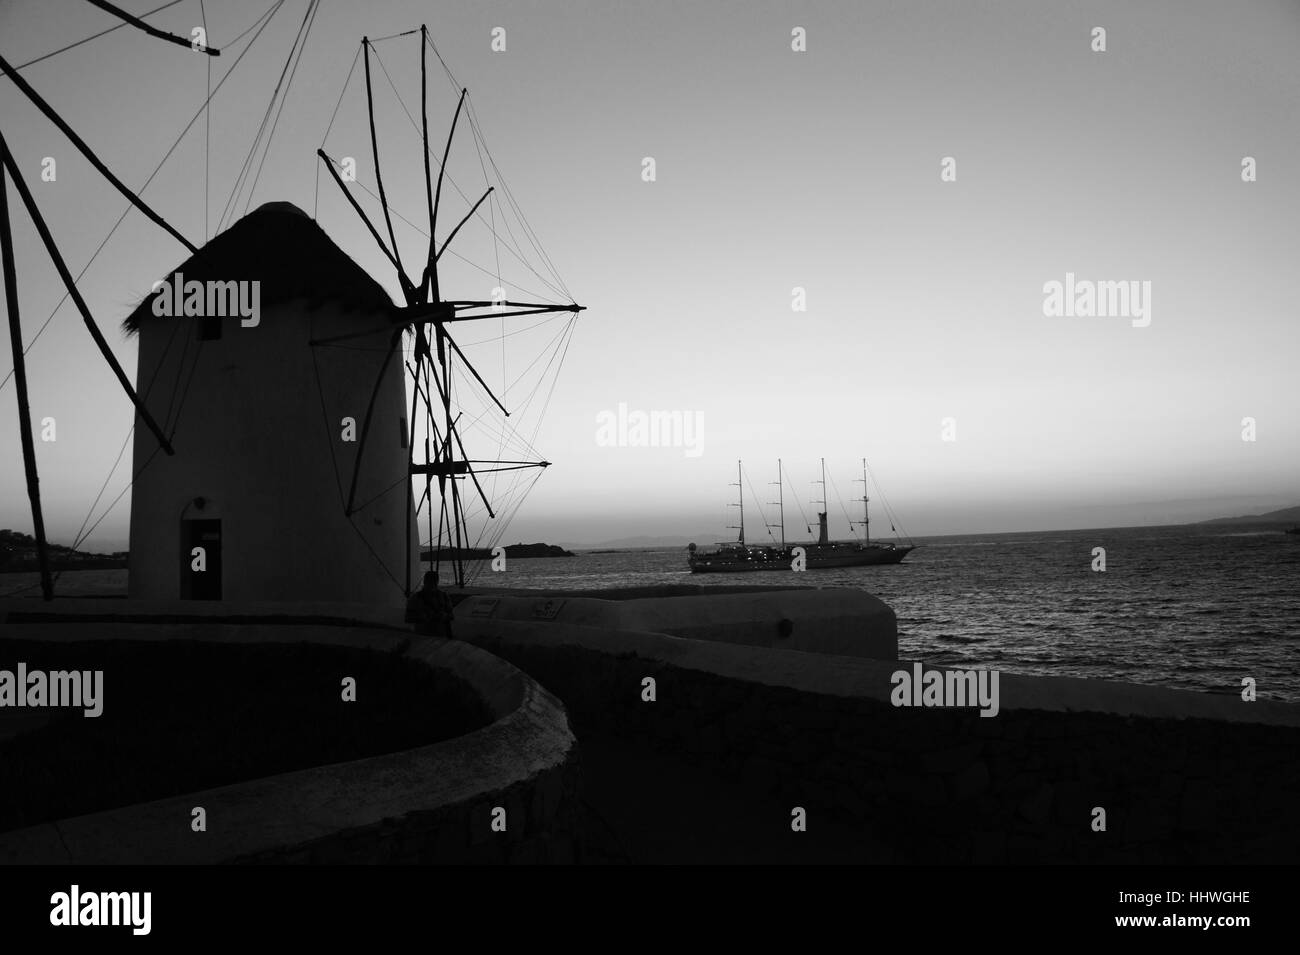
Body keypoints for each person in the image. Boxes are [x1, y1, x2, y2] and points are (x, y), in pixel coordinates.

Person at [406, 570, 455, 638]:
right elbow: (408, 618)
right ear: (425, 582)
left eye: (434, 582)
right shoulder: (416, 598)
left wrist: (444, 616)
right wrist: (422, 617)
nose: (432, 585)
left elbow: (451, 615)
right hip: (422, 636)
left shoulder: (444, 596)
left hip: (440, 637)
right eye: (430, 582)